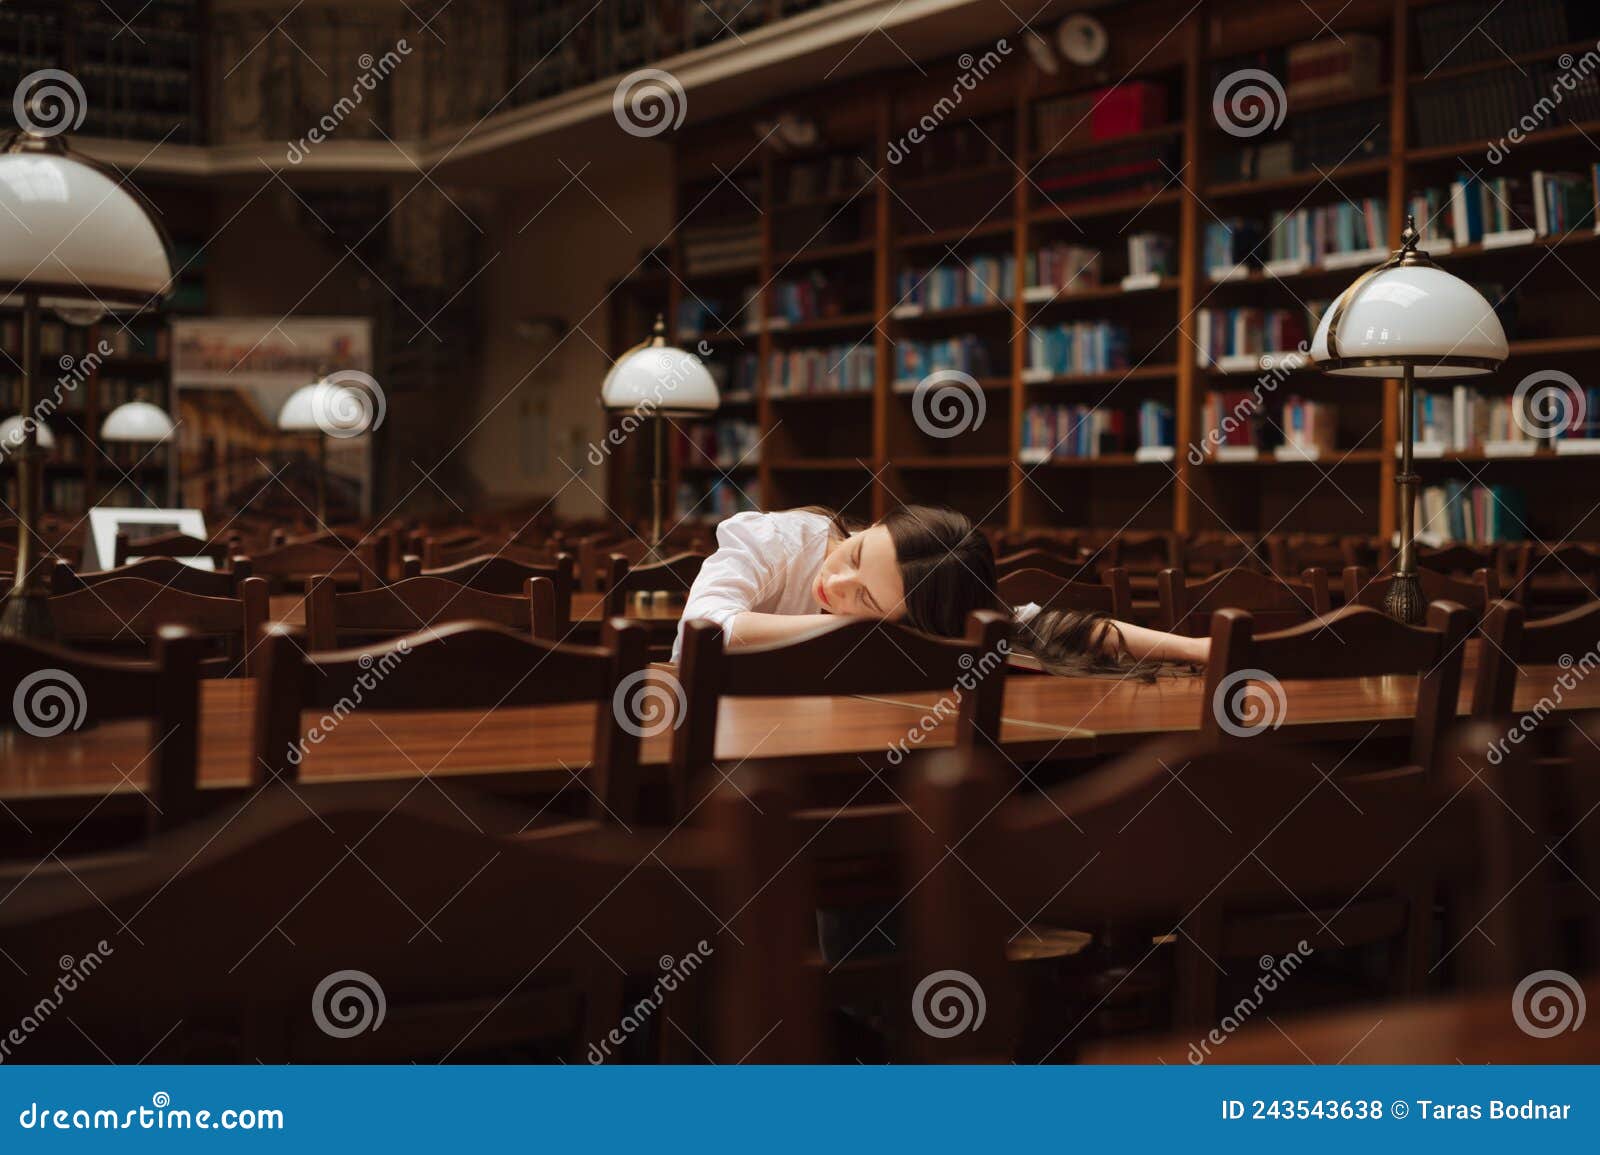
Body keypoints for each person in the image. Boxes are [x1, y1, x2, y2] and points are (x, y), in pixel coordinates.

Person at [669, 505, 1209, 670]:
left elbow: (1044, 627)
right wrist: (854, 622)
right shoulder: (783, 541)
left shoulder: (927, 609)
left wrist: (1199, 649)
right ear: (872, 526)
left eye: (868, 597)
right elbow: (701, 628)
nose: (837, 583)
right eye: (854, 554)